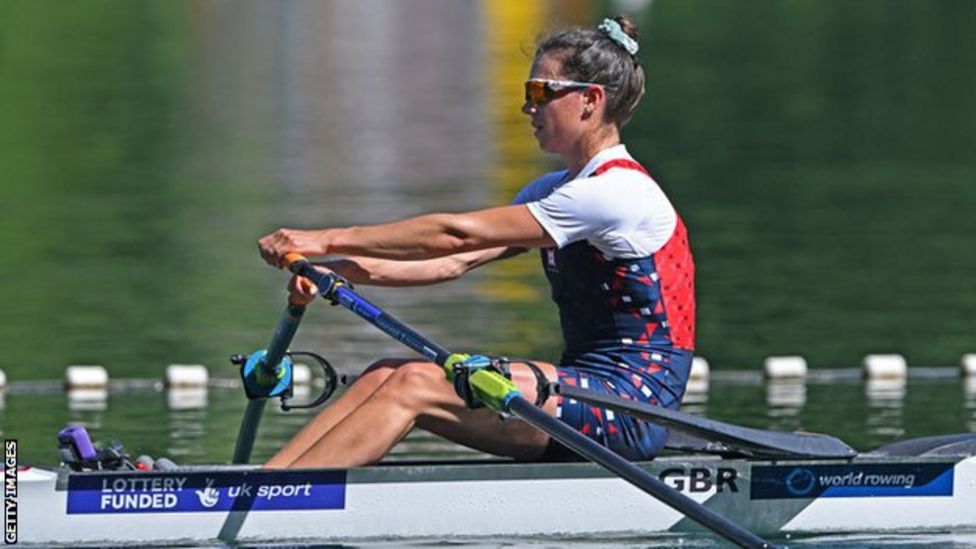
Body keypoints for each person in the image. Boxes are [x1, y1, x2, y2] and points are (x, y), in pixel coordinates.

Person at [258, 15, 695, 469]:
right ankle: (264, 484)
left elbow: (456, 233)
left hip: (629, 410)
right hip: (584, 387)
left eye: (539, 92)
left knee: (413, 384)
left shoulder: (616, 193)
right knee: (383, 374)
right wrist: (338, 271)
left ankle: (278, 498)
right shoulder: (553, 191)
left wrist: (325, 239)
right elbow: (452, 261)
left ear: (590, 100)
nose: (527, 108)